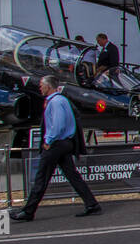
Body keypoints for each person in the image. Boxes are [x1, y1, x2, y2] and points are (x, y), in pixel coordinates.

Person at [10, 75, 101, 221]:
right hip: (64, 143)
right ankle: (92, 204)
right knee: (72, 175)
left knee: (41, 177)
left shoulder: (56, 102)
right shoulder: (60, 100)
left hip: (56, 144)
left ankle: (28, 211)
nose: (40, 87)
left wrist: (48, 140)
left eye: (41, 85)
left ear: (48, 86)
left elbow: (58, 125)